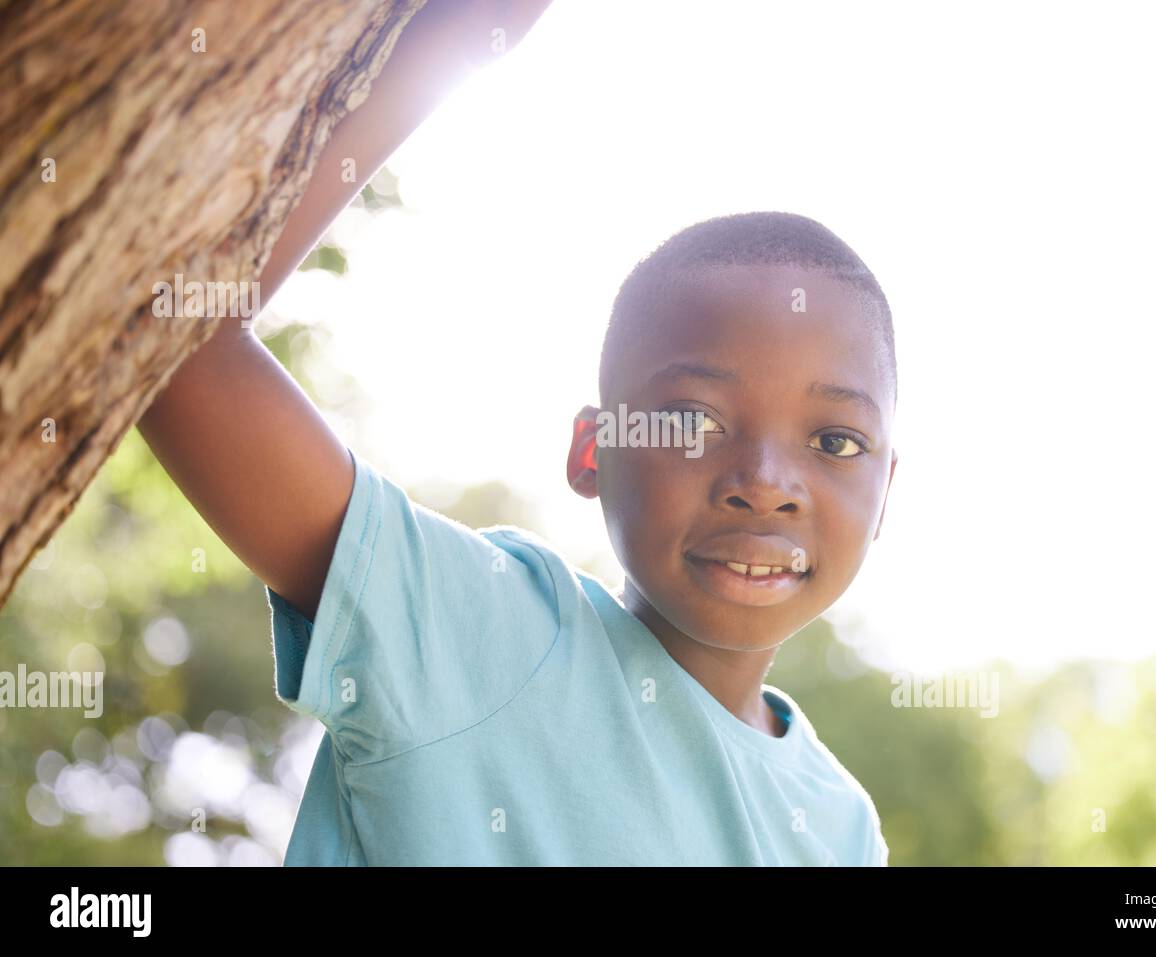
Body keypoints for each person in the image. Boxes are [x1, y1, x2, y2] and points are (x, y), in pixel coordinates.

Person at [139, 0, 896, 866]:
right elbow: (178, 338)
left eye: (835, 441)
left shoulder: (843, 828)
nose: (765, 480)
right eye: (692, 421)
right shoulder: (482, 634)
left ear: (886, 494)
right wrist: (453, 38)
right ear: (592, 453)